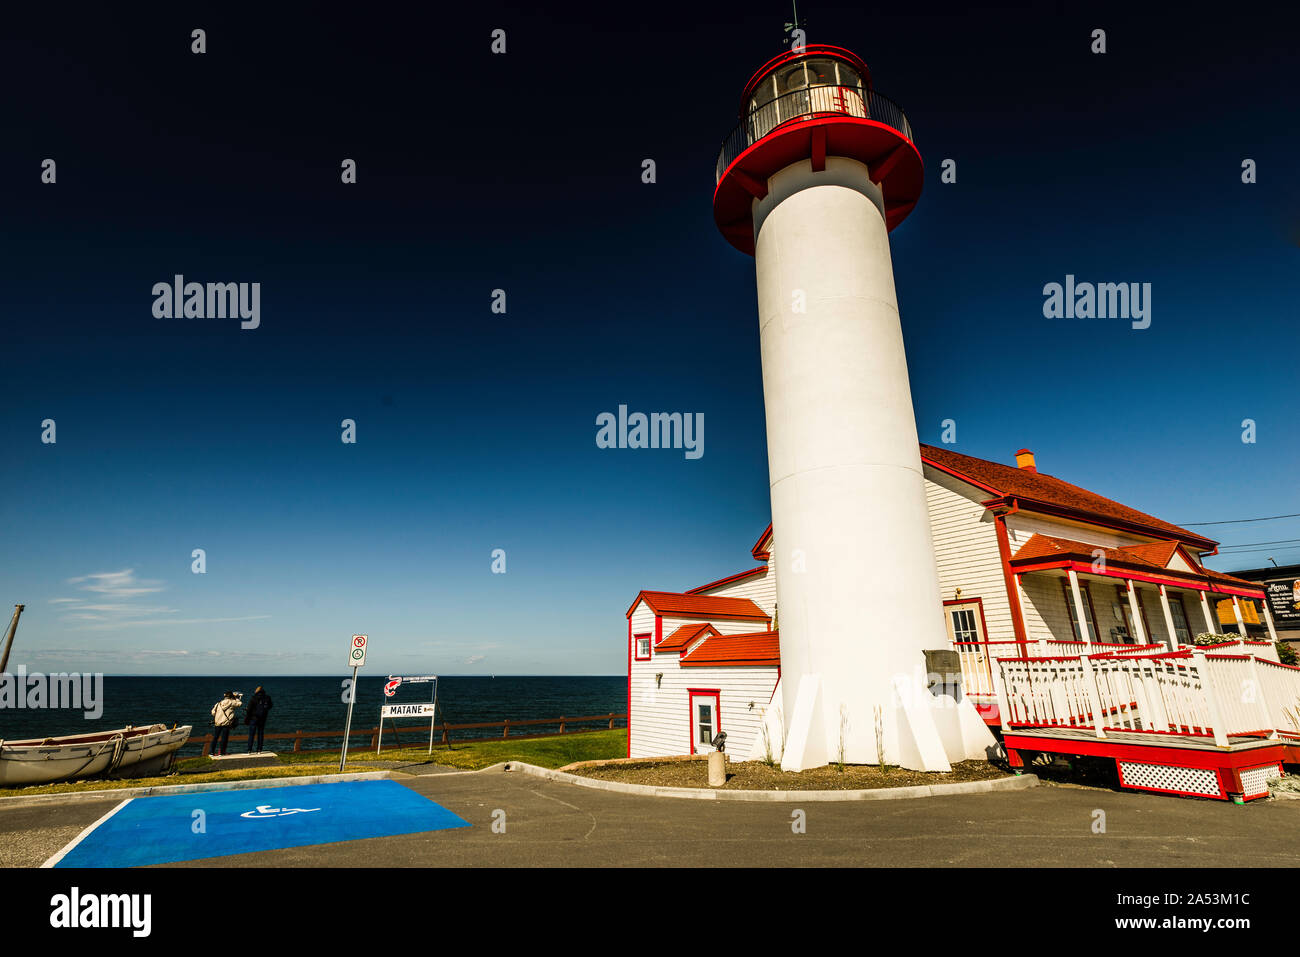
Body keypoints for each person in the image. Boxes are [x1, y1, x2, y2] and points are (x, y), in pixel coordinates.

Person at [210, 690, 243, 756]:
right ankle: (222, 752)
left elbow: (213, 712)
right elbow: (240, 704)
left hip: (217, 723)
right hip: (226, 723)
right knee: (224, 738)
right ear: (231, 696)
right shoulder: (232, 702)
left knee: (215, 738)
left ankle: (211, 752)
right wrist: (236, 697)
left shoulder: (218, 704)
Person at [245, 685, 273, 753]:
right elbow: (270, 706)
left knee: (251, 734)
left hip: (254, 718)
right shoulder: (267, 697)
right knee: (260, 734)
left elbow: (249, 709)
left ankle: (249, 750)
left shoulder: (253, 698)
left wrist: (247, 717)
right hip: (262, 718)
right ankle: (259, 749)